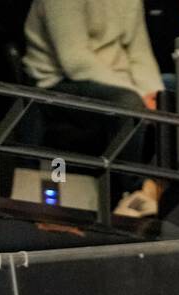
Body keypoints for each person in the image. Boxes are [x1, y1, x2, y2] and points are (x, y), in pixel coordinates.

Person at [23, 0, 162, 217]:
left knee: (175, 105)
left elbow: (139, 52)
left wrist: (155, 95)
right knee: (128, 104)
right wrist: (138, 95)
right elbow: (75, 60)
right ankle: (132, 191)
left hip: (118, 82)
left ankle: (166, 195)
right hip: (59, 83)